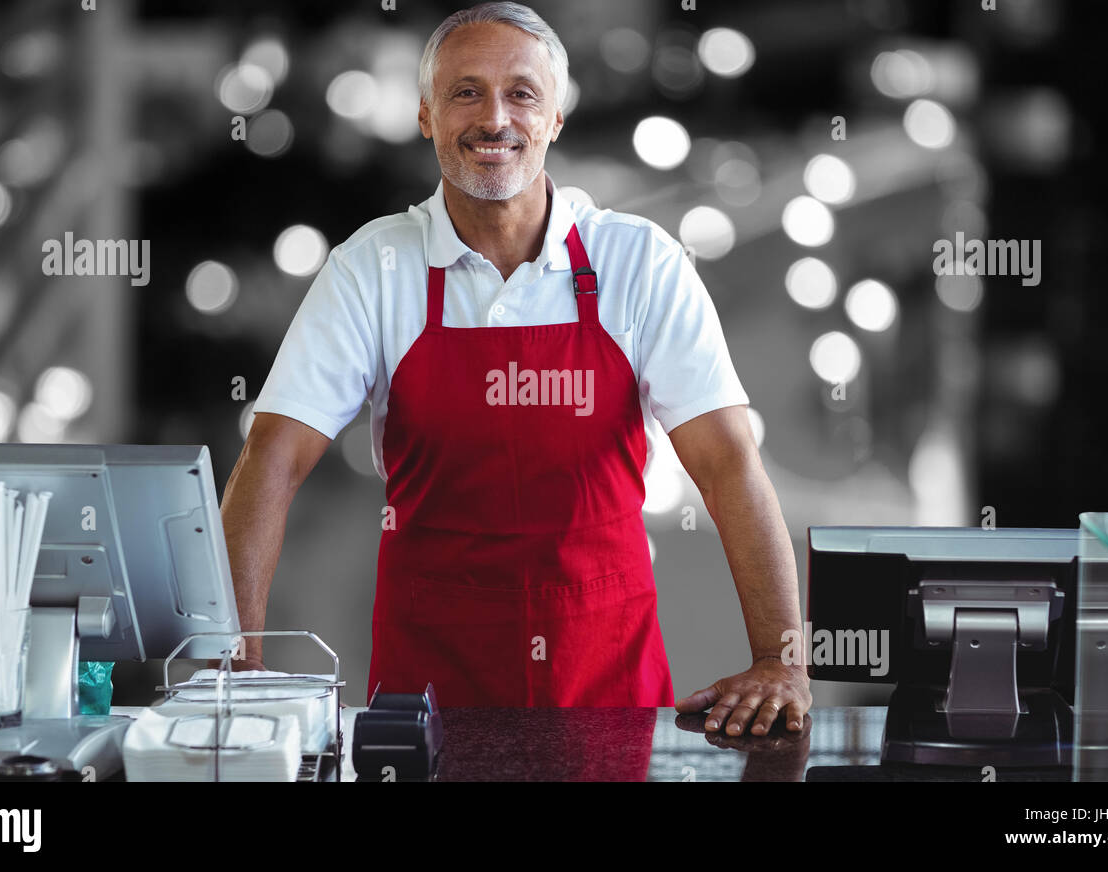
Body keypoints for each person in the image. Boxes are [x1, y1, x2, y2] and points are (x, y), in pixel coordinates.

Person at [222, 2, 811, 738]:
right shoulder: (371, 269)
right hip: (426, 703)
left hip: (610, 695)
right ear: (426, 117)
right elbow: (272, 456)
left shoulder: (639, 262)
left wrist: (780, 660)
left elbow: (727, 464)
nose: (493, 117)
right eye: (464, 92)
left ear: (555, 119)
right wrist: (235, 668)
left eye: (522, 93)